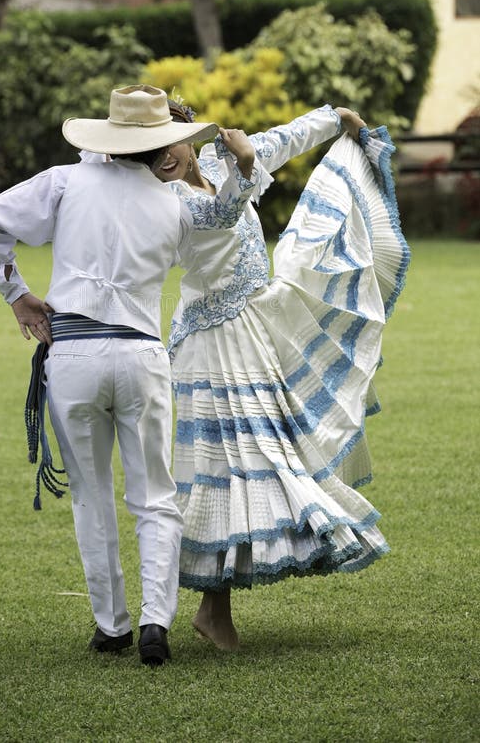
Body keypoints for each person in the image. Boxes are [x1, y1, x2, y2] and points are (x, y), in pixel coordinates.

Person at [0, 84, 261, 666]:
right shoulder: (176, 200)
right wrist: (245, 167)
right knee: (155, 494)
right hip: (141, 358)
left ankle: (112, 626)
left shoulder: (64, 181)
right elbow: (229, 213)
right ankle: (157, 621)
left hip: (73, 354)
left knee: (91, 496)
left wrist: (18, 295)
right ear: (160, 142)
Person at [153, 98, 410, 651]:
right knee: (233, 465)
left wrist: (337, 118)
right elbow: (217, 215)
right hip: (210, 341)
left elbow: (282, 140)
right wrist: (246, 169)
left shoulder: (224, 159)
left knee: (260, 457)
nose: (162, 157)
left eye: (168, 142)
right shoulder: (165, 199)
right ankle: (210, 607)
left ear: (192, 135)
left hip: (251, 328)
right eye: (147, 152)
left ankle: (213, 608)